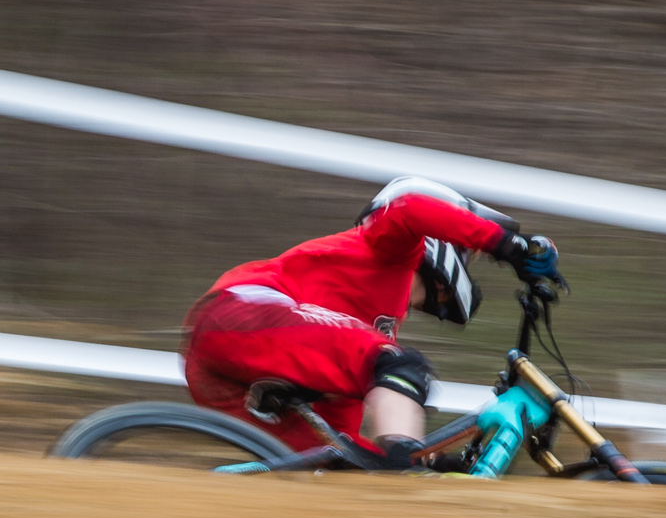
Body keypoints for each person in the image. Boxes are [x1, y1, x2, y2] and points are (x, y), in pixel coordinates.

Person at [182, 177, 566, 469]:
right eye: (467, 253)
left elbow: (342, 430)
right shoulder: (393, 250)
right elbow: (410, 208)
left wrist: (429, 466)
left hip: (221, 371)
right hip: (241, 312)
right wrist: (506, 245)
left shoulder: (365, 332)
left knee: (331, 465)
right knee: (402, 367)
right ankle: (402, 471)